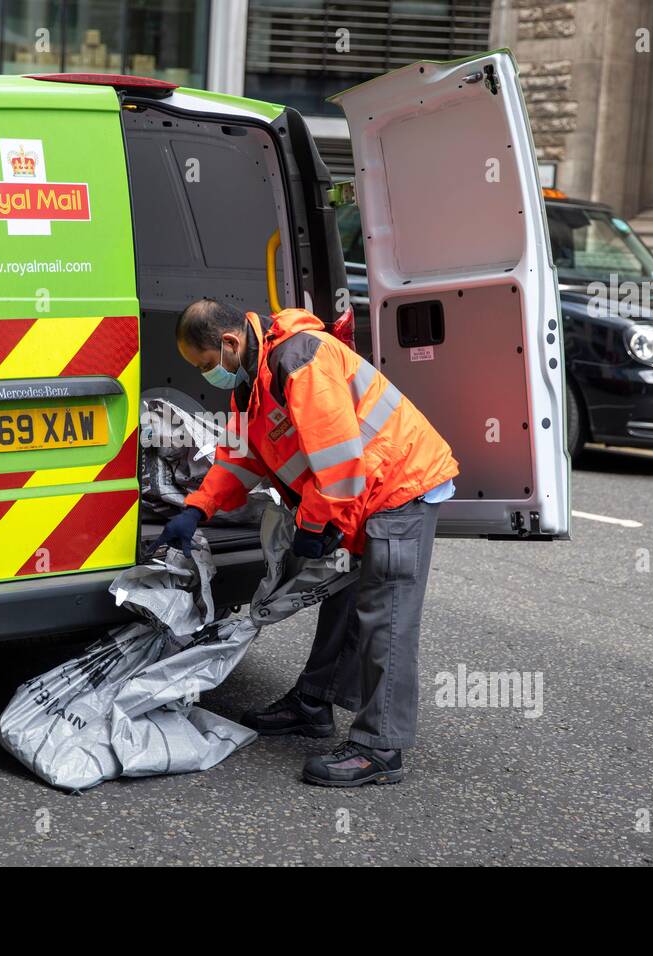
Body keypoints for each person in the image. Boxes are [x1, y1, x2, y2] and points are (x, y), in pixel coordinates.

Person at [155, 298, 459, 786]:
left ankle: (381, 749)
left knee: (386, 615)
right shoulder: (247, 389)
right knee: (340, 601)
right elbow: (238, 461)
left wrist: (316, 528)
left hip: (400, 487)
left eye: (207, 365)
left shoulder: (301, 360)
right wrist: (197, 509)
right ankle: (313, 706)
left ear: (230, 343)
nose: (206, 375)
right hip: (361, 493)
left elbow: (338, 464)